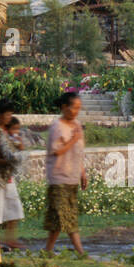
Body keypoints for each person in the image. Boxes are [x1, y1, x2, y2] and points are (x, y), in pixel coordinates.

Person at [44, 91, 87, 256]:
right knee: (64, 215)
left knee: (62, 217)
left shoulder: (76, 125)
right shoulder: (57, 127)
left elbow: (79, 152)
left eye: (78, 108)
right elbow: (57, 151)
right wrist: (72, 140)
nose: (76, 111)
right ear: (64, 107)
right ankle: (80, 251)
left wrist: (82, 172)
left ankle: (48, 250)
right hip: (59, 176)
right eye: (73, 108)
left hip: (72, 177)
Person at [0, 101, 25, 249]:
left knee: (12, 208)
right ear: (0, 114)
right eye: (7, 114)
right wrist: (9, 160)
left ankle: (9, 240)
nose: (9, 117)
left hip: (6, 175)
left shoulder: (2, 130)